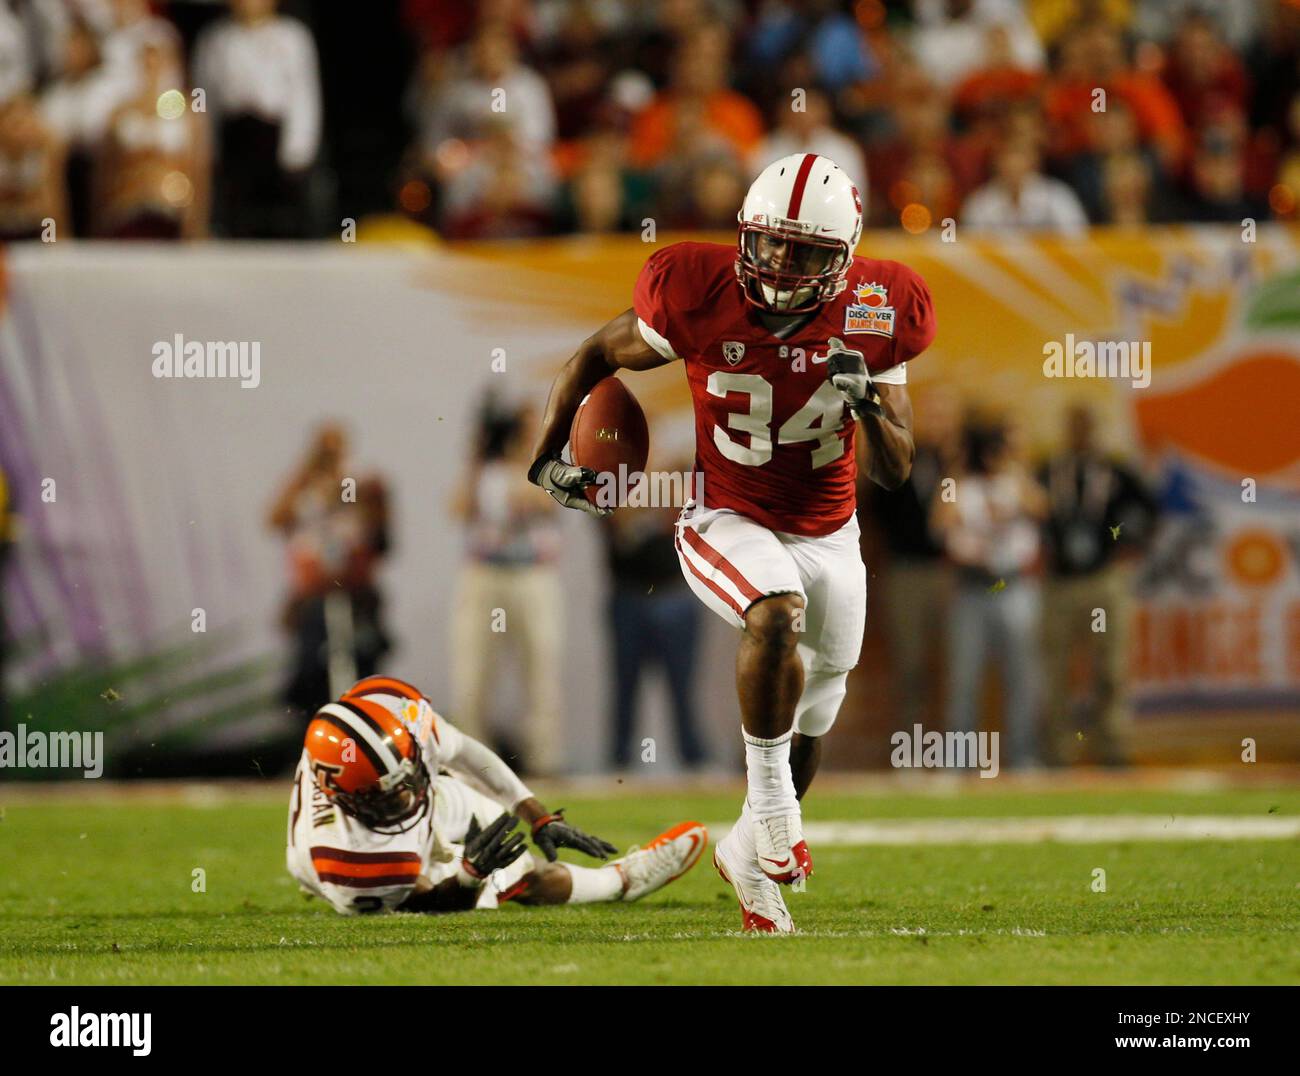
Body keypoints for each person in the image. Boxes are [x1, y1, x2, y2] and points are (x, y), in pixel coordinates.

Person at [526, 152, 936, 933]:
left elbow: (895, 469)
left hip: (831, 527)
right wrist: (546, 459)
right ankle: (775, 807)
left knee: (817, 703)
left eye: (807, 252)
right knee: (774, 613)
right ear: (745, 233)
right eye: (772, 243)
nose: (782, 264)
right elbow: (594, 356)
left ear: (844, 262)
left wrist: (869, 408)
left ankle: (747, 850)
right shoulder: (696, 288)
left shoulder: (882, 306)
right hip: (726, 511)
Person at [287, 675, 706, 915]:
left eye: (408, 779)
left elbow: (466, 754)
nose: (408, 798)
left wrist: (538, 815)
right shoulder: (350, 863)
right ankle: (619, 882)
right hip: (353, 868)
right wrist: (468, 878)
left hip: (388, 826)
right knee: (506, 883)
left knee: (506, 844)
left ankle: (606, 878)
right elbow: (427, 906)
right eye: (390, 797)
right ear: (349, 800)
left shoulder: (396, 718)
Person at [1039, 405, 1158, 766]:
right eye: (1075, 425)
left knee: (1111, 669)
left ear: (1098, 431)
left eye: (1087, 425)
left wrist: (1128, 546)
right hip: (1059, 584)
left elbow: (1149, 509)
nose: (1081, 434)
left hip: (1105, 580)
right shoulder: (1047, 472)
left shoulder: (1116, 472)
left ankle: (1112, 748)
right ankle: (1058, 752)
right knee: (1056, 670)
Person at [450, 400, 563, 775]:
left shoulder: (548, 465)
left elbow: (543, 502)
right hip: (485, 574)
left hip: (533, 575)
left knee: (541, 668)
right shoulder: (487, 472)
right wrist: (477, 455)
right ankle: (472, 758)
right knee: (473, 670)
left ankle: (543, 759)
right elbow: (458, 508)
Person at [931, 418, 1047, 770]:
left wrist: (1014, 470)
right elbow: (939, 521)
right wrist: (958, 466)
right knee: (963, 679)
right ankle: (957, 761)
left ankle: (1024, 758)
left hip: (1014, 586)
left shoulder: (1018, 481)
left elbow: (1042, 508)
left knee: (1022, 677)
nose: (995, 457)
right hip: (971, 587)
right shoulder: (960, 485)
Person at [268, 424, 391, 720]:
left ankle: (363, 729)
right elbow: (275, 518)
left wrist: (352, 492)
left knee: (363, 660)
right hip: (314, 593)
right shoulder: (302, 485)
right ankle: (310, 730)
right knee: (310, 665)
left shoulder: (362, 480)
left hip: (355, 591)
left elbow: (382, 533)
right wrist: (307, 484)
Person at [602, 496, 706, 771]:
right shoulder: (610, 474)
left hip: (674, 590)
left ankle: (692, 760)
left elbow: (687, 512)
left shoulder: (679, 469)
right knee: (625, 685)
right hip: (628, 593)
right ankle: (619, 761)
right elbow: (616, 519)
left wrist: (655, 497)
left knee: (683, 686)